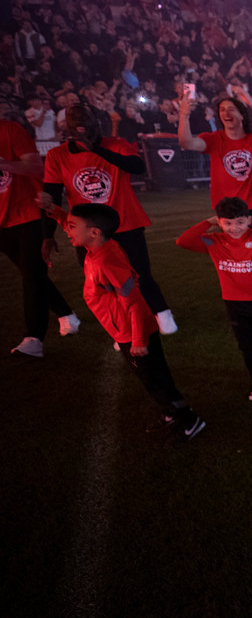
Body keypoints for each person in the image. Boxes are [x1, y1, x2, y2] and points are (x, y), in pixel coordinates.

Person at [44, 202, 204, 440]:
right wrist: (55, 211)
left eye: (71, 227)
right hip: (125, 331)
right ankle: (172, 413)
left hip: (134, 333)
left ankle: (190, 420)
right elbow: (80, 222)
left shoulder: (107, 261)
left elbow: (135, 302)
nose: (67, 230)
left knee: (156, 380)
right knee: (150, 378)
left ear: (94, 232)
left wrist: (138, 340)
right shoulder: (98, 247)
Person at [43, 102, 178, 334]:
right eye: (75, 122)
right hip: (88, 232)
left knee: (140, 274)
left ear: (95, 122)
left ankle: (161, 312)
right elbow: (52, 197)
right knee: (102, 284)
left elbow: (137, 167)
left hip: (126, 222)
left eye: (84, 121)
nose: (81, 127)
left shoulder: (117, 145)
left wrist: (95, 149)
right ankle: (123, 327)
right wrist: (47, 235)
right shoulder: (57, 156)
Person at [176, 197, 252, 400]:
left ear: (249, 220)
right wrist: (208, 222)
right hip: (235, 303)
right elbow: (182, 241)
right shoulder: (214, 241)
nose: (234, 228)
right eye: (227, 223)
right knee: (247, 346)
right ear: (219, 222)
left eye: (240, 222)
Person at [177, 85, 252, 298]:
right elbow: (186, 142)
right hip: (227, 208)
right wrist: (184, 113)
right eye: (222, 110)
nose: (226, 113)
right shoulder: (214, 139)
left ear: (241, 114)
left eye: (231, 109)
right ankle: (240, 285)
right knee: (233, 249)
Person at [3, 117, 79, 357]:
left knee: (32, 276)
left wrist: (3, 163)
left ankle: (34, 338)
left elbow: (35, 167)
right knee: (31, 273)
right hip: (2, 217)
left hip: (28, 211)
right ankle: (66, 314)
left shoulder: (9, 129)